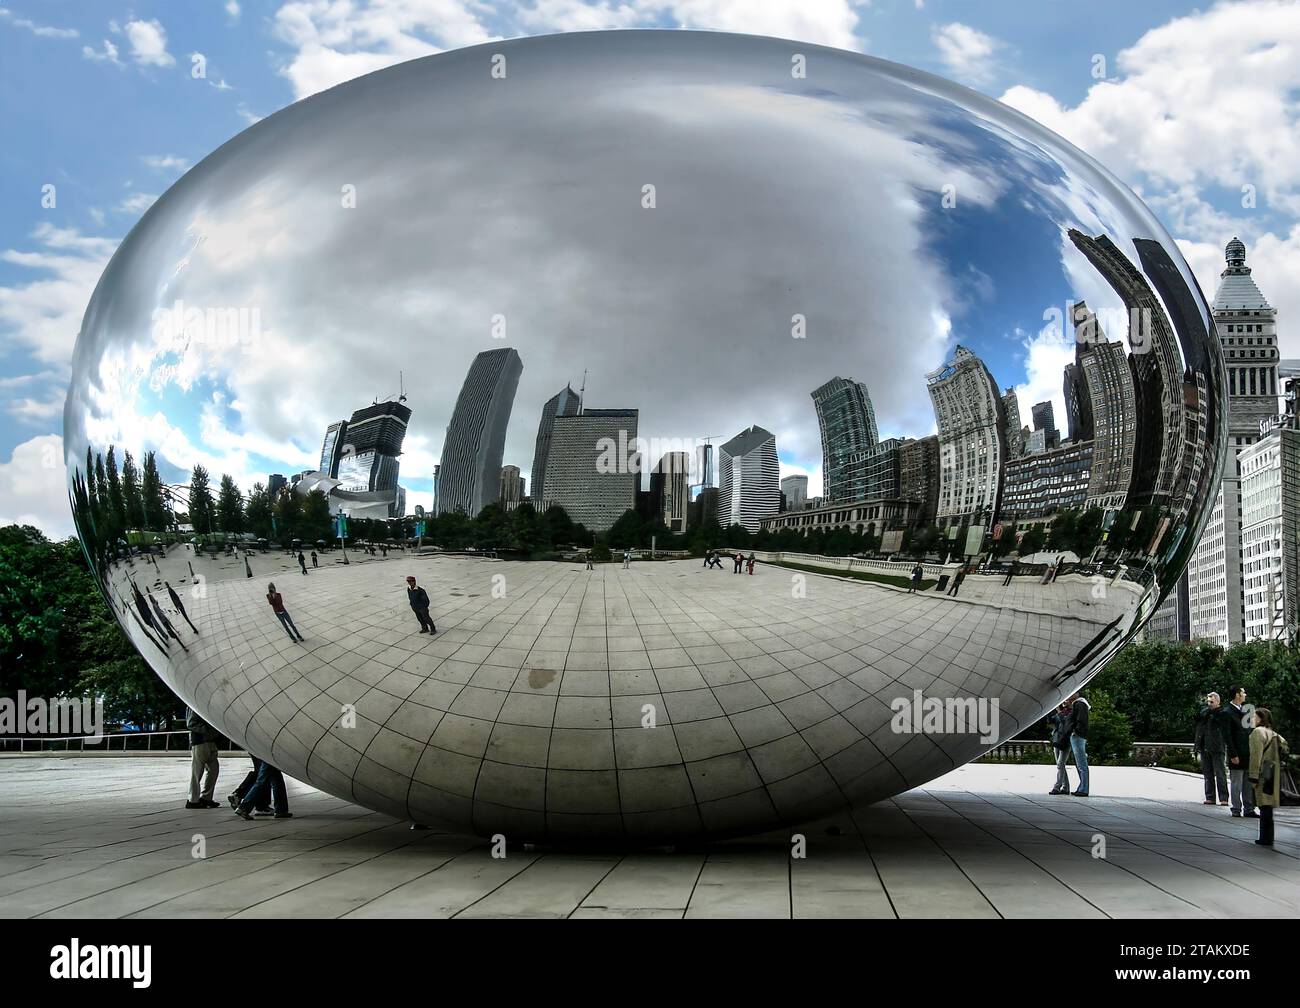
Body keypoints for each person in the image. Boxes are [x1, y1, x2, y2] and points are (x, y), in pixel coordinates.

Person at [1247, 708, 1289, 847]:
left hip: (1262, 773)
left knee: (1263, 805)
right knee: (1268, 807)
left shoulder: (1257, 733)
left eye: (1254, 717)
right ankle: (1268, 837)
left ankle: (1264, 838)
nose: (1252, 719)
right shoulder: (1274, 733)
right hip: (1273, 772)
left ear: (1260, 718)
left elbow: (1255, 756)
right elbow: (1285, 749)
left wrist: (1253, 776)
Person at [1193, 692, 1230, 806]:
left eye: (1212, 701)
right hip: (1205, 746)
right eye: (1208, 701)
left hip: (1217, 746)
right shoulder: (1205, 712)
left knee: (1220, 773)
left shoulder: (1222, 713)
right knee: (1207, 773)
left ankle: (1223, 798)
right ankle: (1210, 796)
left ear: (1218, 701)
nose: (1210, 703)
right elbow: (1198, 723)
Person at [1225, 685, 1257, 818]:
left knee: (1248, 783)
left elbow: (1250, 731)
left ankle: (1249, 808)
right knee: (1236, 782)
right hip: (1237, 753)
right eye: (1243, 692)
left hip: (1247, 752)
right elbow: (1227, 735)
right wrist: (1233, 754)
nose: (1245, 694)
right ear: (1237, 695)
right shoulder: (1227, 712)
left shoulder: (1246, 710)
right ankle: (1236, 808)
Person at [185, 708, 220, 809]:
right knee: (197, 772)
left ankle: (206, 798)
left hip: (210, 741)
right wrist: (207, 731)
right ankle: (193, 800)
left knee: (214, 770)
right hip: (200, 741)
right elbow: (191, 723)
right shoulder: (194, 706)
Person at [1047, 701, 1073, 795]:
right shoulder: (1061, 712)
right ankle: (1066, 787)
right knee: (1060, 765)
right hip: (1057, 740)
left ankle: (1057, 787)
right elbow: (1050, 721)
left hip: (1065, 740)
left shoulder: (1071, 712)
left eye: (1066, 701)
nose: (1064, 702)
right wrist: (1049, 710)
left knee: (1060, 764)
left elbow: (1065, 722)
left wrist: (1059, 712)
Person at [1067, 693, 1090, 796]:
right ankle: (1082, 787)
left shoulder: (1079, 704)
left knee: (1081, 763)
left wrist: (1075, 731)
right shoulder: (1079, 704)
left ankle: (1084, 789)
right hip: (1078, 735)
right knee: (1080, 763)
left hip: (1078, 735)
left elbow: (1081, 720)